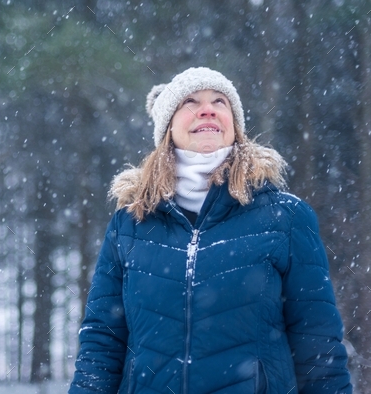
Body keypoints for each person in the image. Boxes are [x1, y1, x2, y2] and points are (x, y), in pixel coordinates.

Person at [69, 67, 352, 394]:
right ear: (168, 128)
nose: (207, 109)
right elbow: (102, 342)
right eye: (190, 101)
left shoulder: (286, 217)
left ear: (235, 126)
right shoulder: (131, 223)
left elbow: (318, 343)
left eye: (220, 101)